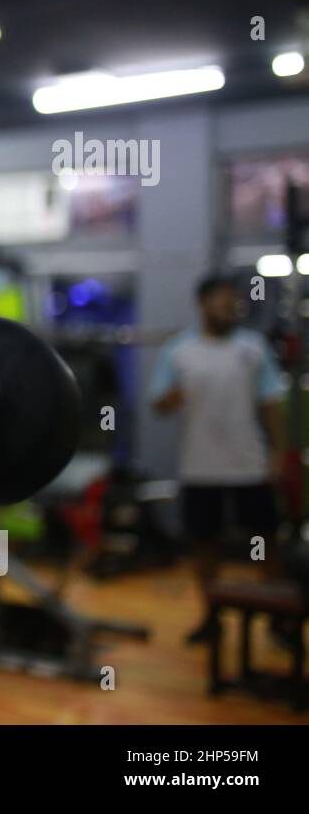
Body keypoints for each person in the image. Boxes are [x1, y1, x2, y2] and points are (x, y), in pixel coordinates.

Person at [149, 271, 287, 643]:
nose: (229, 306)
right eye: (222, 299)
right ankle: (212, 616)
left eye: (234, 300)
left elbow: (271, 403)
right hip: (201, 466)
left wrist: (279, 453)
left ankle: (277, 618)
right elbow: (159, 403)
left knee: (264, 541)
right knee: (205, 543)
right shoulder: (179, 352)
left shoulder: (253, 348)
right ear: (203, 303)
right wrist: (173, 397)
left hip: (249, 464)